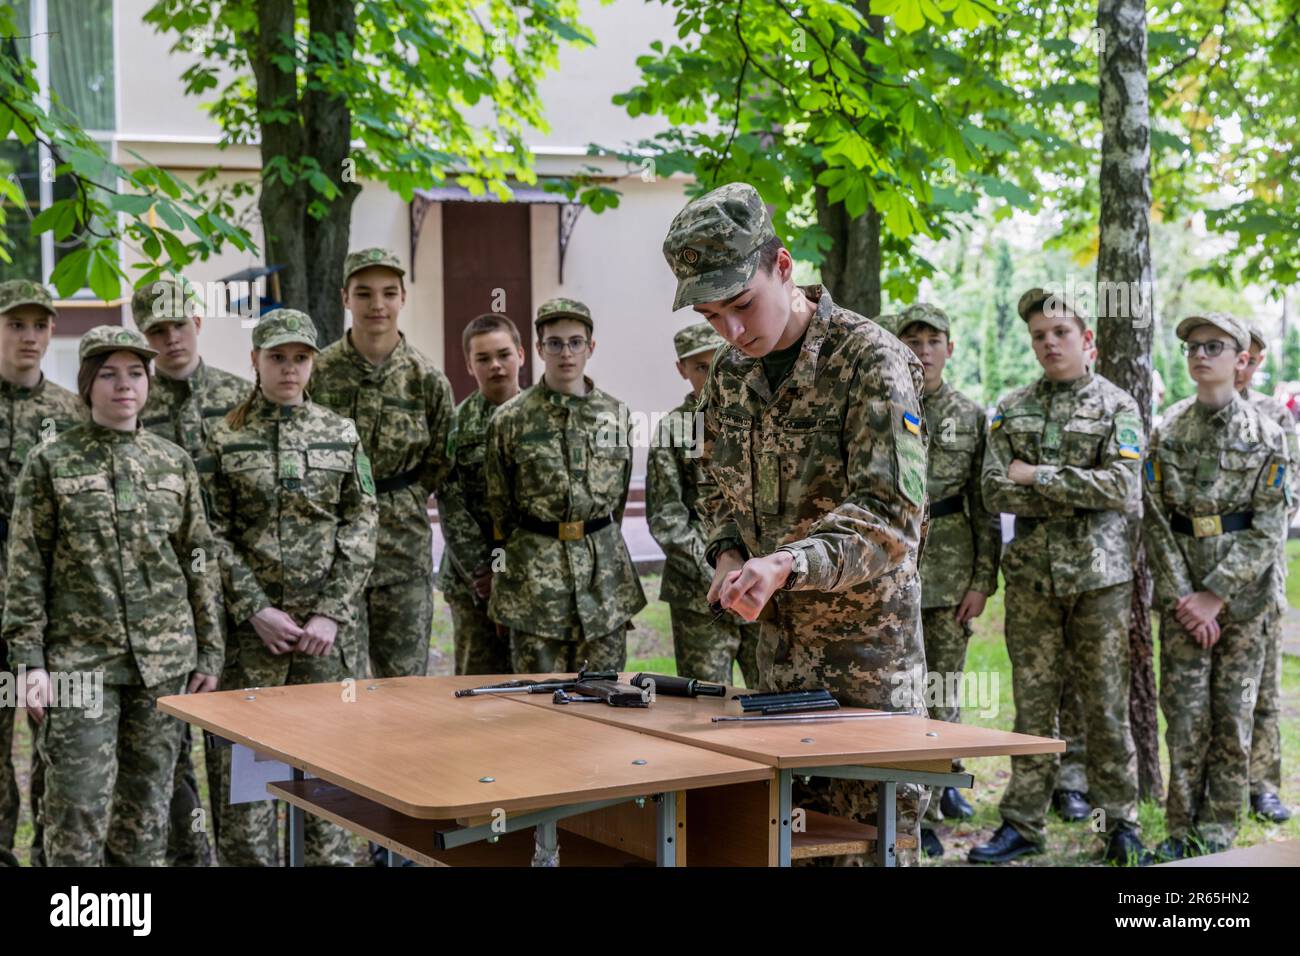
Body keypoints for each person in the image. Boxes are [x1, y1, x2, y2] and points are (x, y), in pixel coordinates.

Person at [668, 182, 930, 866]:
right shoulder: (728, 376)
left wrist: (786, 564)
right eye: (709, 314)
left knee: (870, 851)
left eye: (741, 305)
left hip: (865, 672)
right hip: (778, 672)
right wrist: (727, 559)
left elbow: (893, 517)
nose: (728, 331)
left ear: (782, 267)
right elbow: (719, 496)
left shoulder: (869, 359)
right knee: (787, 848)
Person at [2, 325, 223, 866]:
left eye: (135, 373)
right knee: (75, 808)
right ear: (86, 383)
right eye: (108, 374)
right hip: (81, 665)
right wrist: (29, 663)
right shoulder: (51, 461)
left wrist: (210, 651)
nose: (124, 385)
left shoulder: (173, 463)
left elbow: (198, 558)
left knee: (146, 810)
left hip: (163, 664)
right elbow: (26, 567)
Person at [970, 288, 1149, 865]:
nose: (1049, 342)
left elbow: (1123, 489)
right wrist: (1074, 488)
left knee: (1104, 707)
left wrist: (1039, 476)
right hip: (1032, 586)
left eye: (1061, 332)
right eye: (1039, 336)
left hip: (1100, 584)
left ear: (1087, 340)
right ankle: (1022, 824)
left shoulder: (1119, 406)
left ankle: (1119, 824)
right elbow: (994, 487)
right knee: (1032, 708)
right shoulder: (1011, 407)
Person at [204, 309, 377, 866]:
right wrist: (254, 607)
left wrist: (332, 612)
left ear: (313, 364)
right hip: (254, 640)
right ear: (254, 361)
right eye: (276, 357)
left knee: (328, 780)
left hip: (325, 641)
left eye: (300, 358)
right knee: (248, 792)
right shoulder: (225, 435)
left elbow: (361, 522)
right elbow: (209, 532)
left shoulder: (340, 432)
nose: (288, 368)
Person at [1144, 313, 1290, 858]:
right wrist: (1186, 598)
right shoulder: (1167, 428)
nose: (1200, 356)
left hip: (1243, 602)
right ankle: (1179, 826)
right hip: (1183, 602)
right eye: (1192, 348)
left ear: (1240, 358)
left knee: (1233, 714)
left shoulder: (1268, 435)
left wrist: (1215, 595)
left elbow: (1270, 528)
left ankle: (1219, 827)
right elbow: (1155, 521)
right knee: (1183, 717)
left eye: (1214, 346)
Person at [133, 275, 250, 867]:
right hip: (164, 612)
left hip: (241, 604)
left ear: (198, 324)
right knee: (171, 749)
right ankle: (189, 858)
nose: (171, 337)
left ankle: (244, 856)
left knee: (237, 749)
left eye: (179, 324)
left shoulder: (240, 400)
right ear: (143, 337)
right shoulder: (130, 406)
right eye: (157, 330)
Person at [310, 249, 453, 680]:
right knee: (336, 683)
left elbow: (442, 457)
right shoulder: (318, 372)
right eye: (364, 293)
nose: (377, 305)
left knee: (405, 681)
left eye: (389, 293)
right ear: (345, 298)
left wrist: (403, 493)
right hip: (331, 548)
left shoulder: (425, 378)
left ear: (403, 298)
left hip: (402, 548)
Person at [484, 298, 646, 672]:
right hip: (535, 584)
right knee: (537, 705)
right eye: (554, 343)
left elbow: (617, 502)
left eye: (575, 342)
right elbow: (499, 506)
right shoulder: (510, 419)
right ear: (539, 349)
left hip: (603, 580)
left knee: (605, 695)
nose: (565, 353)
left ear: (590, 348)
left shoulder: (616, 415)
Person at [896, 303, 998, 858]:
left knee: (943, 692)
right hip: (893, 570)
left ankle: (936, 798)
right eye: (912, 338)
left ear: (949, 348)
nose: (924, 348)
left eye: (934, 339)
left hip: (951, 568)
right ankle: (915, 805)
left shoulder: (971, 414)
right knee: (900, 695)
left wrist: (982, 579)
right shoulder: (882, 404)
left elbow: (985, 506)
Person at [0, 280, 85, 867]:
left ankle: (53, 861)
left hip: (48, 605)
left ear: (52, 331)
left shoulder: (71, 413)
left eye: (39, 325)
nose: (29, 336)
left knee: (56, 735)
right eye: (15, 324)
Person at [646, 322, 760, 686]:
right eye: (699, 367)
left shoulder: (757, 415)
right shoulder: (674, 429)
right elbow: (666, 516)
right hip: (699, 594)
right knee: (704, 700)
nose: (712, 375)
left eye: (718, 363)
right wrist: (713, 567)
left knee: (774, 698)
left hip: (760, 581)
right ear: (682, 369)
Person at [438, 313, 524, 675]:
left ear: (521, 354)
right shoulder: (455, 426)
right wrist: (486, 575)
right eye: (483, 358)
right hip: (472, 580)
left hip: (530, 574)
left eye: (503, 354)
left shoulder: (540, 420)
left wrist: (512, 570)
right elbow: (451, 506)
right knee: (479, 687)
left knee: (534, 682)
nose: (496, 366)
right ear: (469, 365)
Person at [1237, 322, 1296, 824]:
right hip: (1202, 580)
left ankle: (1264, 785)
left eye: (1255, 359)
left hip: (1262, 578)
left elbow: (1284, 499)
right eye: (1242, 354)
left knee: (1264, 690)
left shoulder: (1276, 416)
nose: (1246, 365)